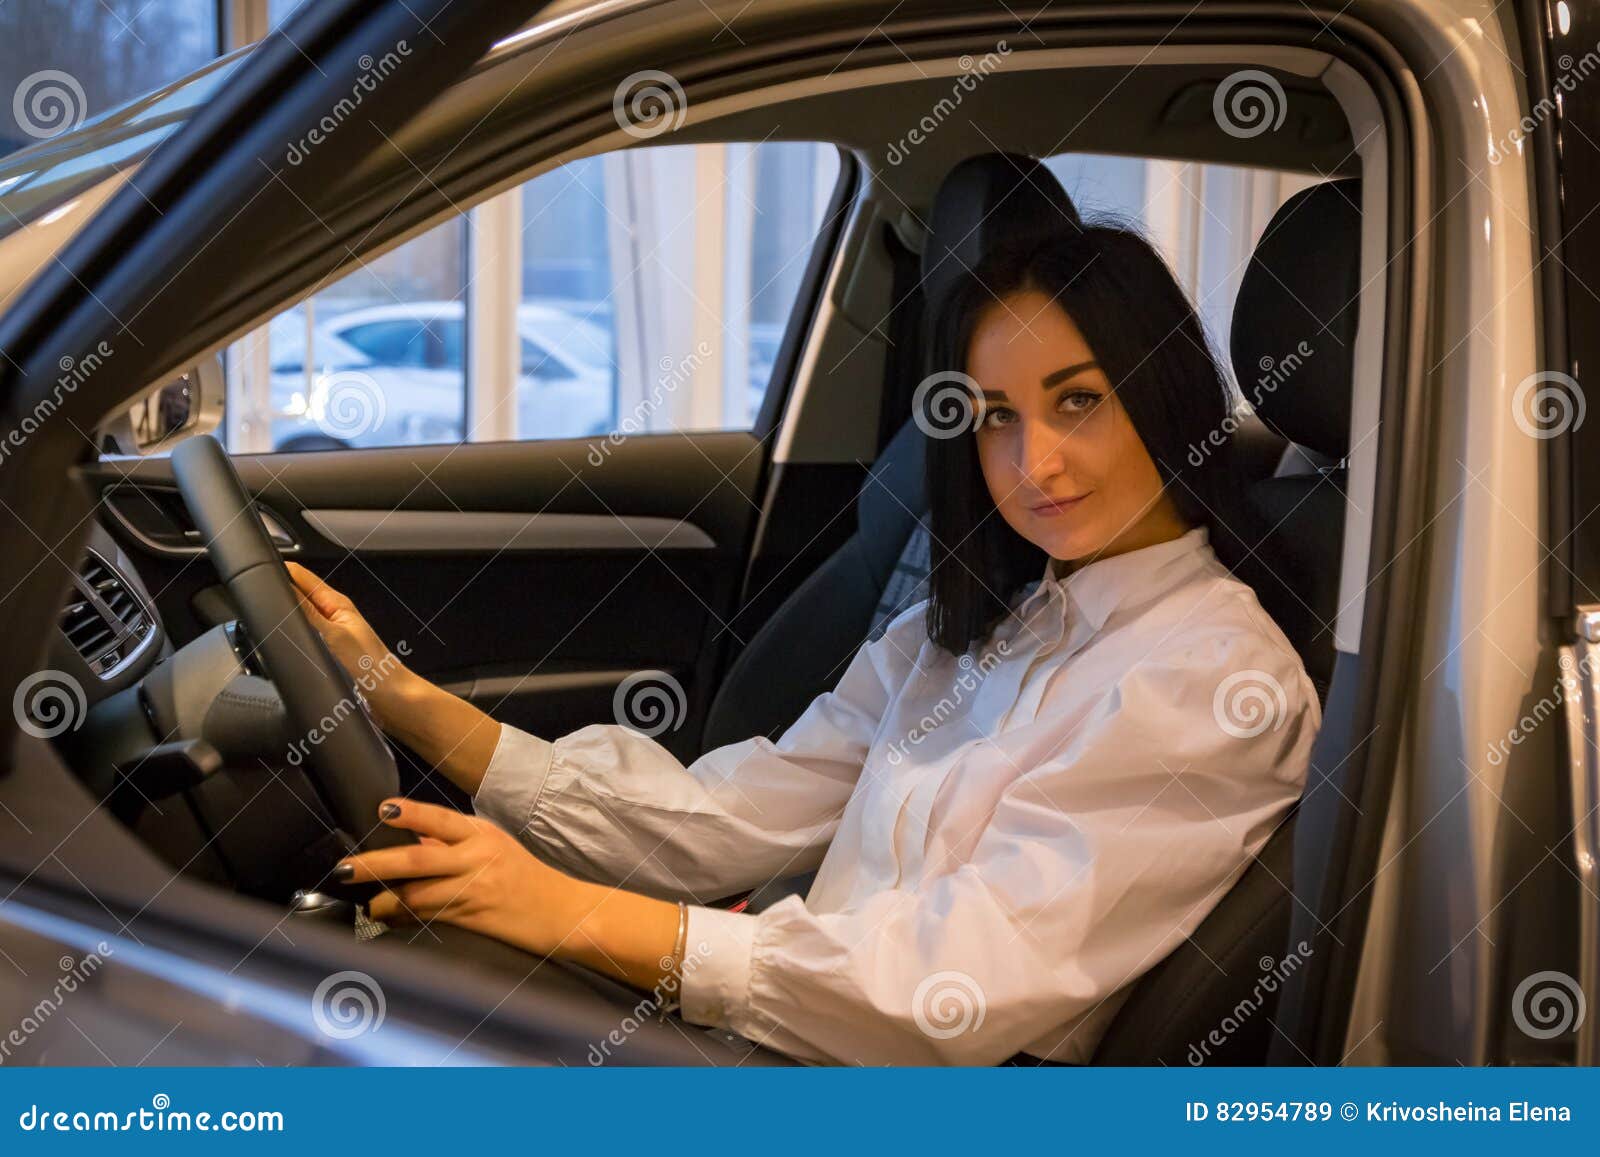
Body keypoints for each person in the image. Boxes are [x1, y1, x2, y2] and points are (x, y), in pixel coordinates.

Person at [291, 224, 1320, 1066]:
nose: (1032, 462)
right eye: (997, 416)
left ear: (1165, 392)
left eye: (1079, 400)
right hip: (788, 1040)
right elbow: (730, 815)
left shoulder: (1212, 681)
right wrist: (404, 700)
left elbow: (941, 991)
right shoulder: (977, 622)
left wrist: (566, 911)